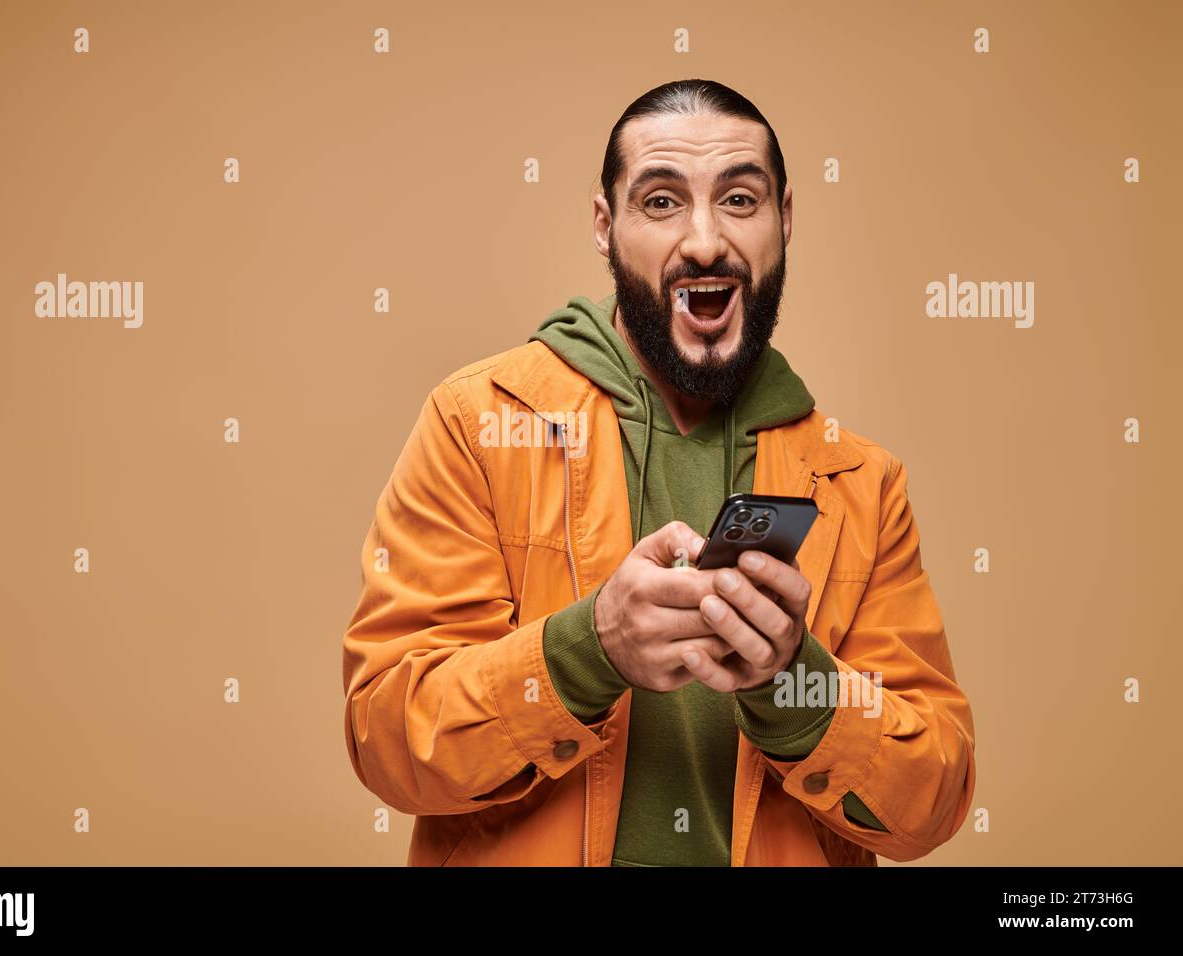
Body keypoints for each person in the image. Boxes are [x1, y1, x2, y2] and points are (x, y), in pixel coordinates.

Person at [341, 78, 976, 866]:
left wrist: (793, 681)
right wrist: (590, 648)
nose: (706, 240)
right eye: (662, 202)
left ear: (786, 220)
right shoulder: (478, 423)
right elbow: (388, 737)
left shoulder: (860, 482)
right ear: (605, 229)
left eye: (740, 200)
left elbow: (934, 799)